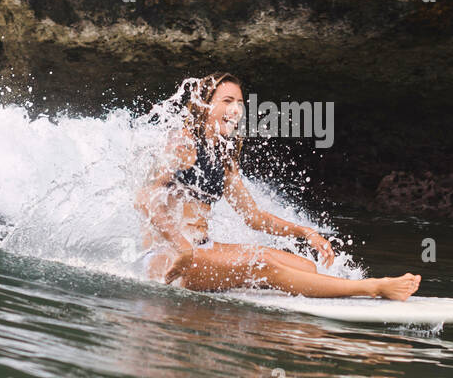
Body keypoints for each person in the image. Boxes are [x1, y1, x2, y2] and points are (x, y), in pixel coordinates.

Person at [134, 73, 421, 300]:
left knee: (304, 266)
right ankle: (371, 288)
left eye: (240, 104)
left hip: (202, 249)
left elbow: (253, 216)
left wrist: (305, 232)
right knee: (264, 267)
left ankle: (271, 281)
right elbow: (145, 199)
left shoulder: (222, 157)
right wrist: (181, 246)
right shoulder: (182, 143)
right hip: (168, 257)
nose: (235, 110)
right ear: (204, 104)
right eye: (227, 101)